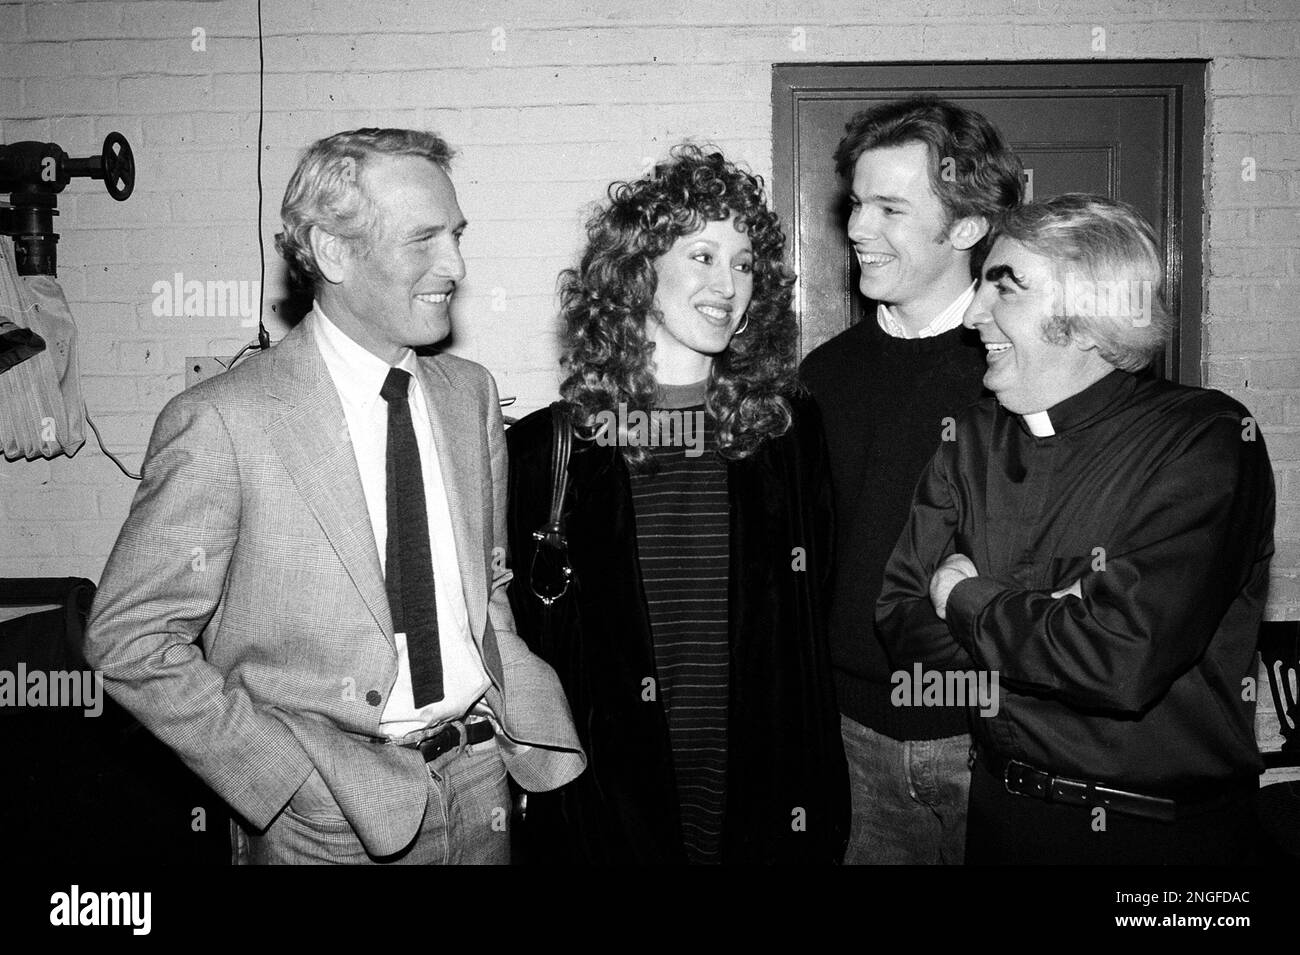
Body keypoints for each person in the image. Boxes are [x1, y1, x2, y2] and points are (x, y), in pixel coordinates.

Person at [83, 128, 585, 864]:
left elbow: (487, 579)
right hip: (325, 820)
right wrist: (283, 780)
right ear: (334, 251)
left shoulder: (468, 395)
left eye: (456, 235)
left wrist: (501, 708)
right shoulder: (224, 419)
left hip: (483, 784)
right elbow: (129, 639)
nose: (456, 265)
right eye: (424, 239)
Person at [876, 194, 1275, 864]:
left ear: (1093, 316)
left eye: (1005, 289)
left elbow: (1122, 661)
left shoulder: (1205, 439)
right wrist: (1056, 619)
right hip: (1002, 820)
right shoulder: (971, 436)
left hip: (1159, 842)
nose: (974, 315)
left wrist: (969, 599)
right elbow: (900, 624)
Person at [506, 144, 848, 864]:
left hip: (760, 803)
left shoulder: (786, 430)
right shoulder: (553, 449)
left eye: (746, 263)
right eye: (702, 255)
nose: (730, 283)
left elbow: (807, 625)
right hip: (611, 814)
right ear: (638, 272)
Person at [799, 96, 1023, 863]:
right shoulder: (823, 376)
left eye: (890, 207)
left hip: (989, 736)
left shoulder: (1022, 373)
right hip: (853, 736)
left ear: (965, 227)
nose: (858, 227)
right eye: (858, 203)